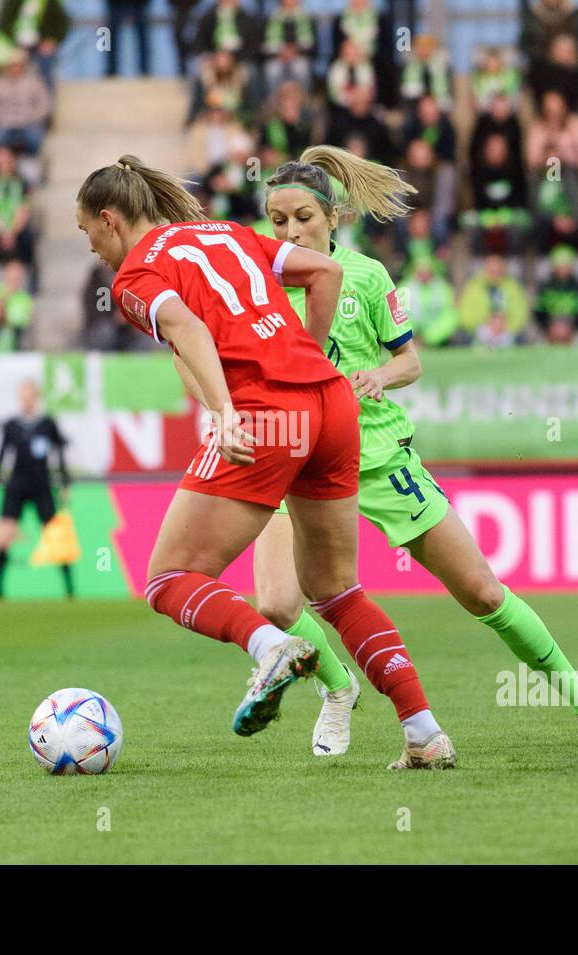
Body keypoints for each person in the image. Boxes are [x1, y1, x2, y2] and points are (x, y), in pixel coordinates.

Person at [256, 145, 578, 759]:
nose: (290, 232)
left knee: (482, 593)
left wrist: (379, 377)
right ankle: (338, 689)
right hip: (294, 461)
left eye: (303, 218)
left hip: (377, 456)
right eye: (278, 220)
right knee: (276, 604)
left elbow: (409, 361)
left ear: (333, 217)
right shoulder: (258, 284)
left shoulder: (366, 277)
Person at [76, 154, 445, 767]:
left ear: (109, 219)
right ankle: (424, 733)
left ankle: (270, 646)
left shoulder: (136, 276)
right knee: (336, 591)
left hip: (266, 413)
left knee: (168, 579)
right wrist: (312, 360)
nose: (88, 243)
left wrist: (223, 411)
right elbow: (326, 271)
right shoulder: (226, 233)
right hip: (331, 405)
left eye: (85, 228)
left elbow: (190, 331)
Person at [0, 380, 73, 600]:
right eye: (23, 397)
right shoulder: (11, 426)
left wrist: (64, 483)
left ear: (36, 398)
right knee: (2, 538)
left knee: (55, 538)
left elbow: (59, 454)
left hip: (42, 485)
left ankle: (70, 590)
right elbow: (2, 454)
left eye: (30, 396)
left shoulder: (48, 424)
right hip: (17, 485)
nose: (26, 401)